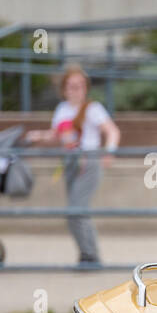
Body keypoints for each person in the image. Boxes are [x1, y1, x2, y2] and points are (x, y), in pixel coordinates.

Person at [25, 64, 120, 267]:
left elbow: (112, 131)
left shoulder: (93, 109)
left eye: (79, 85)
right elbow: (57, 137)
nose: (76, 90)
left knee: (76, 209)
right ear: (64, 89)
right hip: (69, 162)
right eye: (71, 86)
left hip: (88, 161)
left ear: (85, 87)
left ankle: (91, 256)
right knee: (76, 211)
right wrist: (37, 137)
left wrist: (109, 151)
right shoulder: (62, 110)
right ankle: (86, 254)